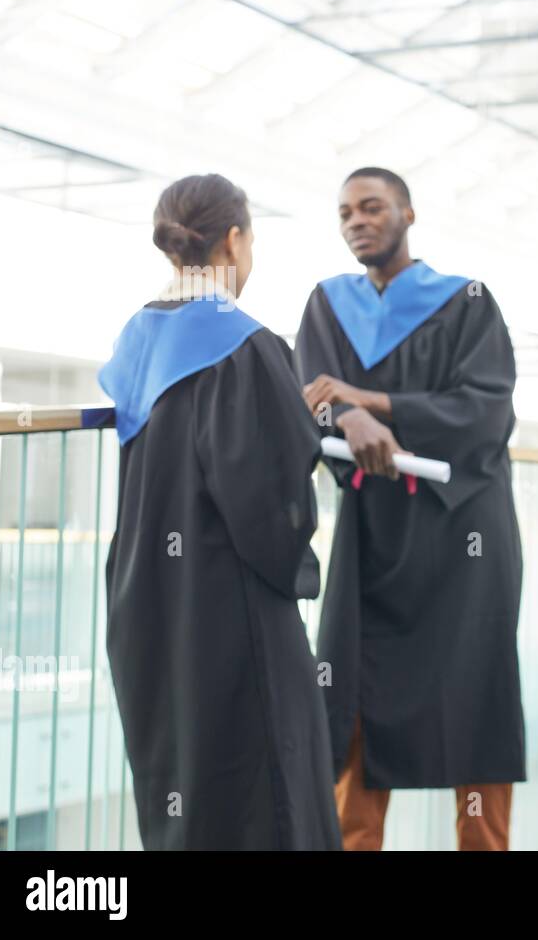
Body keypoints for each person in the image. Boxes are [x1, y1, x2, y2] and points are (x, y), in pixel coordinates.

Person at [99, 173, 341, 850]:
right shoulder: (242, 344)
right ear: (233, 242)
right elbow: (271, 506)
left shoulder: (135, 341)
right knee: (267, 795)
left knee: (183, 793)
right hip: (231, 614)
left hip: (144, 602)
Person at [294, 167, 525, 851]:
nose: (356, 221)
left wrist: (373, 404)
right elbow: (315, 399)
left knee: (473, 694)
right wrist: (347, 416)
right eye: (344, 213)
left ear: (408, 214)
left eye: (371, 208)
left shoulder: (466, 302)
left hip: (465, 534)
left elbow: (487, 413)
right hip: (373, 530)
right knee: (354, 697)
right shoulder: (326, 304)